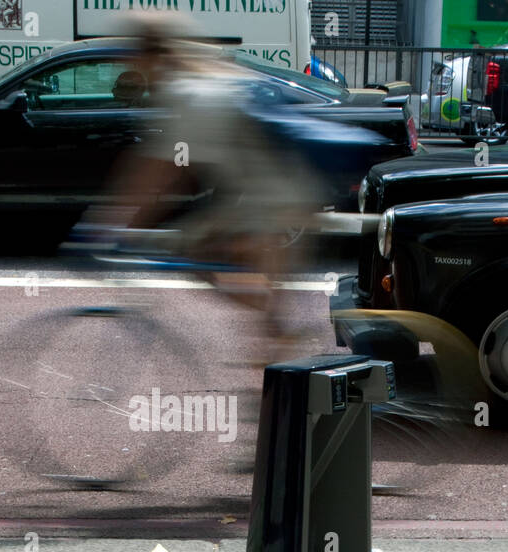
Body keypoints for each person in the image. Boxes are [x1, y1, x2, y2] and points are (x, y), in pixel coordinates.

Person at [84, 12, 328, 362]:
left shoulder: (185, 90)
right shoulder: (200, 77)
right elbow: (176, 162)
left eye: (131, 54)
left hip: (272, 198)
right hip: (281, 190)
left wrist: (112, 223)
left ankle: (287, 340)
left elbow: (161, 170)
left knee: (197, 248)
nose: (128, 63)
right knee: (233, 267)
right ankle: (282, 339)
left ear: (146, 55)